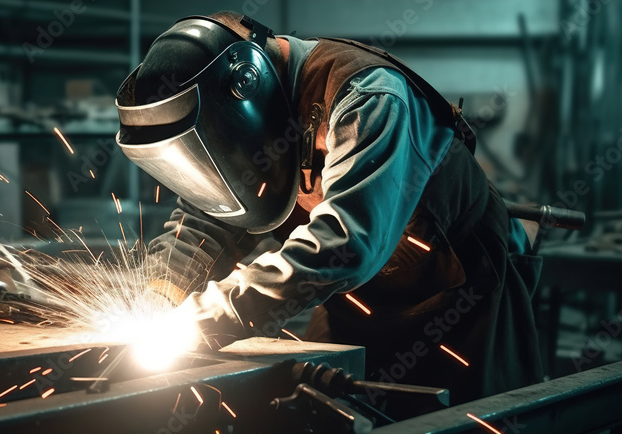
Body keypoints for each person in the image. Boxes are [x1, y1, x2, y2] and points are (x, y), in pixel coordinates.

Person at [114, 11, 543, 418]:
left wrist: (207, 317)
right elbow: (204, 220)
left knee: (459, 418)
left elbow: (344, 242)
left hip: (460, 298)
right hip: (355, 299)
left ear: (248, 86)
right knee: (321, 404)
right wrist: (159, 297)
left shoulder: (369, 99)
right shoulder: (246, 124)